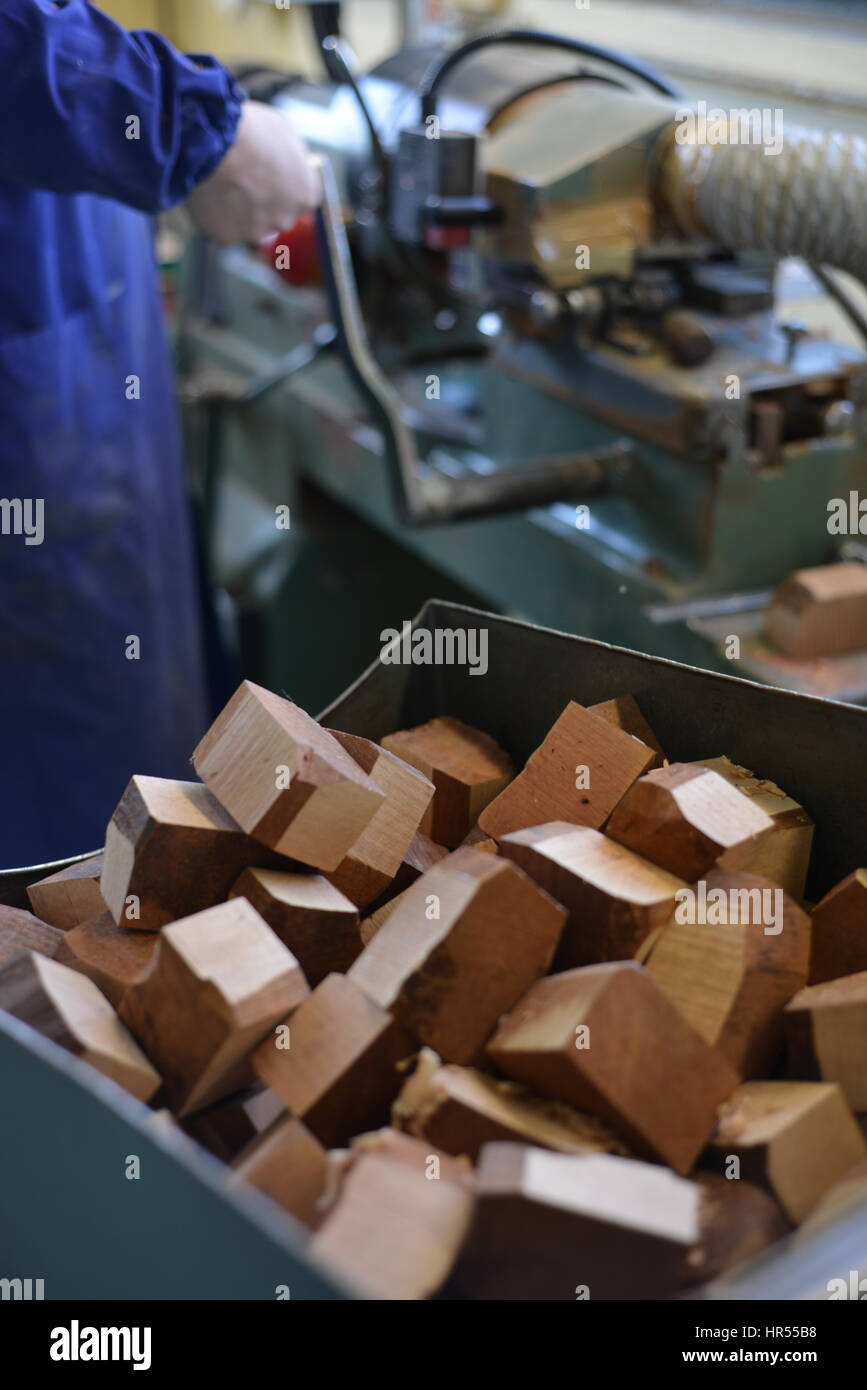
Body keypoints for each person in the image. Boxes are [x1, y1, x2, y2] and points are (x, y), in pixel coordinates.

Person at [0, 0, 318, 866]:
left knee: (138, 788)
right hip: (26, 301)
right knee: (67, 851)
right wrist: (194, 127)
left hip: (66, 263)